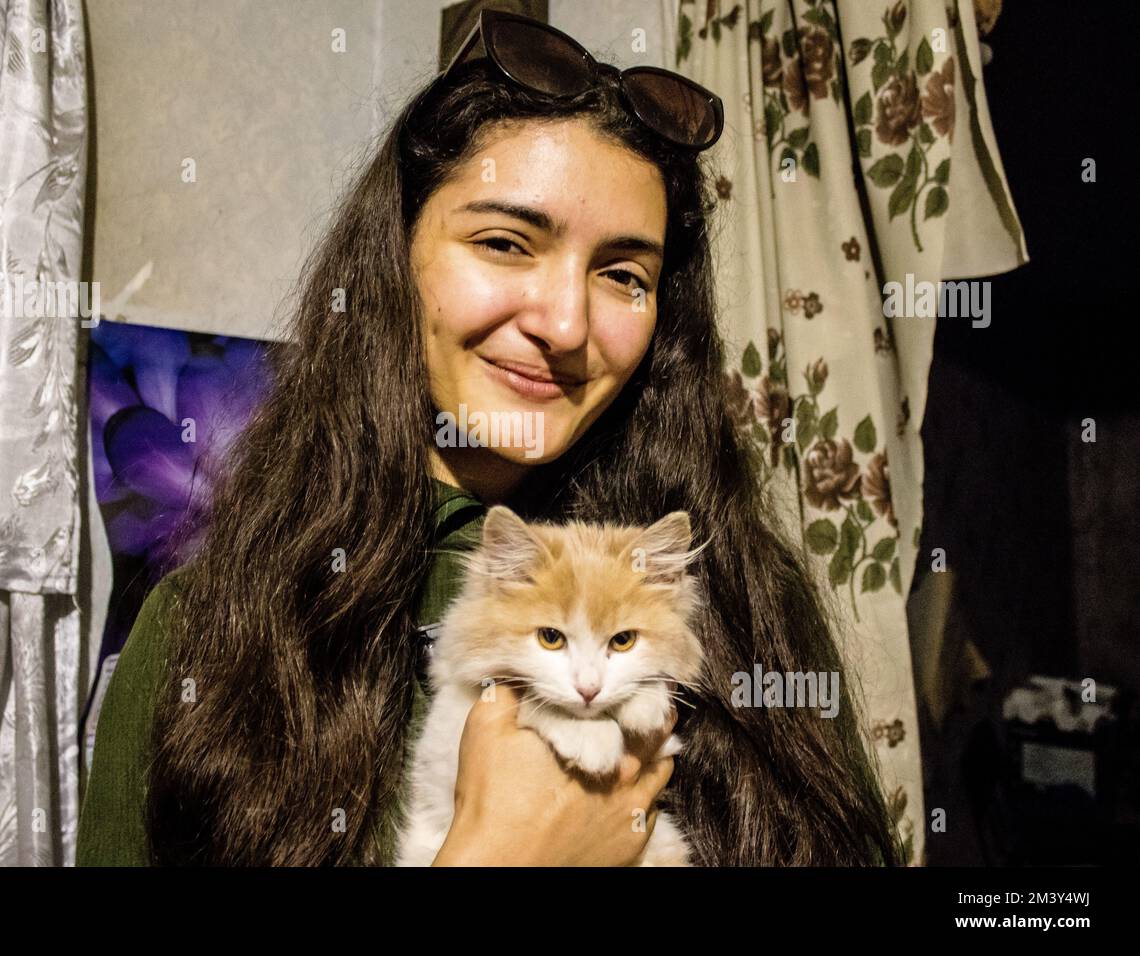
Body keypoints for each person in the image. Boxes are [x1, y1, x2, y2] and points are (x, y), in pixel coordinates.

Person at [76, 11, 900, 867]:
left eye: (623, 274)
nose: (565, 322)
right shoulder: (206, 629)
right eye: (506, 243)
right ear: (396, 259)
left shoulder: (738, 601)